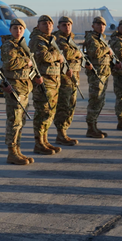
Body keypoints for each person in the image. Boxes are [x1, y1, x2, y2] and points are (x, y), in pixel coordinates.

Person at [28, 14, 68, 155]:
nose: (48, 26)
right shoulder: (37, 40)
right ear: (38, 26)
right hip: (43, 82)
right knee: (42, 113)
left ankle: (44, 141)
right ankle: (39, 143)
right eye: (44, 24)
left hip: (54, 82)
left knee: (50, 113)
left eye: (50, 24)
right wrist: (58, 56)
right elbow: (43, 56)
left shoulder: (51, 40)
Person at [0, 18, 35, 165]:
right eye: (15, 28)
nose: (18, 30)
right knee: (14, 121)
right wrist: (26, 62)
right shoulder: (8, 45)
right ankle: (11, 152)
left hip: (24, 88)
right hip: (14, 89)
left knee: (20, 121)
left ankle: (17, 150)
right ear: (10, 30)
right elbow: (10, 64)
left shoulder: (22, 46)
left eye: (21, 28)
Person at [52, 16, 84, 146]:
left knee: (71, 106)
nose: (67, 27)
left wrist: (75, 52)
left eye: (69, 25)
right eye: (64, 25)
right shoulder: (58, 40)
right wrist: (77, 53)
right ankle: (61, 133)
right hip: (64, 79)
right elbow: (66, 53)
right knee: (63, 106)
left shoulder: (70, 40)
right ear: (59, 27)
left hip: (73, 77)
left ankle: (64, 131)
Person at [84, 15, 115, 138]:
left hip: (103, 74)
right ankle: (90, 128)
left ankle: (94, 126)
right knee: (95, 101)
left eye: (103, 25)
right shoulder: (91, 38)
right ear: (93, 26)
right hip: (96, 75)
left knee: (100, 102)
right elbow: (95, 53)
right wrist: (107, 50)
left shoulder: (101, 39)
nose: (101, 27)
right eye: (98, 24)